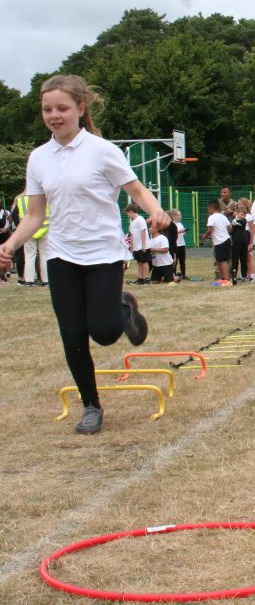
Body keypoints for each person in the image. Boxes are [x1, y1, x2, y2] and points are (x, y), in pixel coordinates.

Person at [0, 74, 165, 435]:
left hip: (103, 253)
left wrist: (156, 210)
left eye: (62, 108)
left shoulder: (102, 151)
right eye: (47, 109)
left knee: (104, 332)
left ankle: (123, 306)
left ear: (80, 108)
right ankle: (91, 405)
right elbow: (34, 215)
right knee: (73, 336)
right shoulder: (39, 158)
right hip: (61, 255)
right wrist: (10, 245)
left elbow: (136, 188)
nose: (54, 115)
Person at [15, 191, 50, 286]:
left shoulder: (21, 199)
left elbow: (20, 217)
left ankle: (29, 280)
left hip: (28, 230)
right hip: (45, 228)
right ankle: (46, 280)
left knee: (29, 256)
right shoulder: (45, 197)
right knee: (44, 256)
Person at [201, 199, 232, 284]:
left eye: (208, 208)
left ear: (211, 207)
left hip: (220, 241)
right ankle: (222, 279)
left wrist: (205, 235)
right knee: (219, 261)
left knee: (222, 261)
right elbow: (230, 228)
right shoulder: (223, 216)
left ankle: (226, 280)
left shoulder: (211, 217)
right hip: (226, 240)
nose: (207, 210)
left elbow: (210, 230)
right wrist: (223, 232)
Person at [124, 202, 150, 284]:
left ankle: (146, 278)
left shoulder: (140, 219)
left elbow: (143, 232)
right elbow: (131, 234)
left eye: (128, 213)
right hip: (136, 246)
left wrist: (143, 245)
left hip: (143, 246)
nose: (127, 216)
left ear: (131, 212)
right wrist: (132, 246)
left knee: (144, 262)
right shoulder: (132, 222)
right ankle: (140, 278)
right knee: (139, 262)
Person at [229, 201, 250, 283]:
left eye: (244, 215)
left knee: (243, 260)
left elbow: (240, 224)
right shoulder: (234, 221)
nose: (243, 216)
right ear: (237, 214)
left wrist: (234, 222)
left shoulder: (243, 221)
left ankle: (244, 276)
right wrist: (232, 224)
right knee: (235, 260)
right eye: (241, 214)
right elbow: (231, 231)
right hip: (235, 243)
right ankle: (234, 276)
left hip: (244, 242)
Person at [169, 209, 188, 281]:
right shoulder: (172, 224)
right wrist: (180, 232)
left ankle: (183, 274)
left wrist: (184, 232)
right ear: (174, 216)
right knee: (175, 260)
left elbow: (182, 234)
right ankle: (173, 273)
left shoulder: (180, 224)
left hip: (182, 244)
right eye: (179, 215)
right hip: (176, 245)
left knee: (182, 260)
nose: (180, 216)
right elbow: (173, 233)